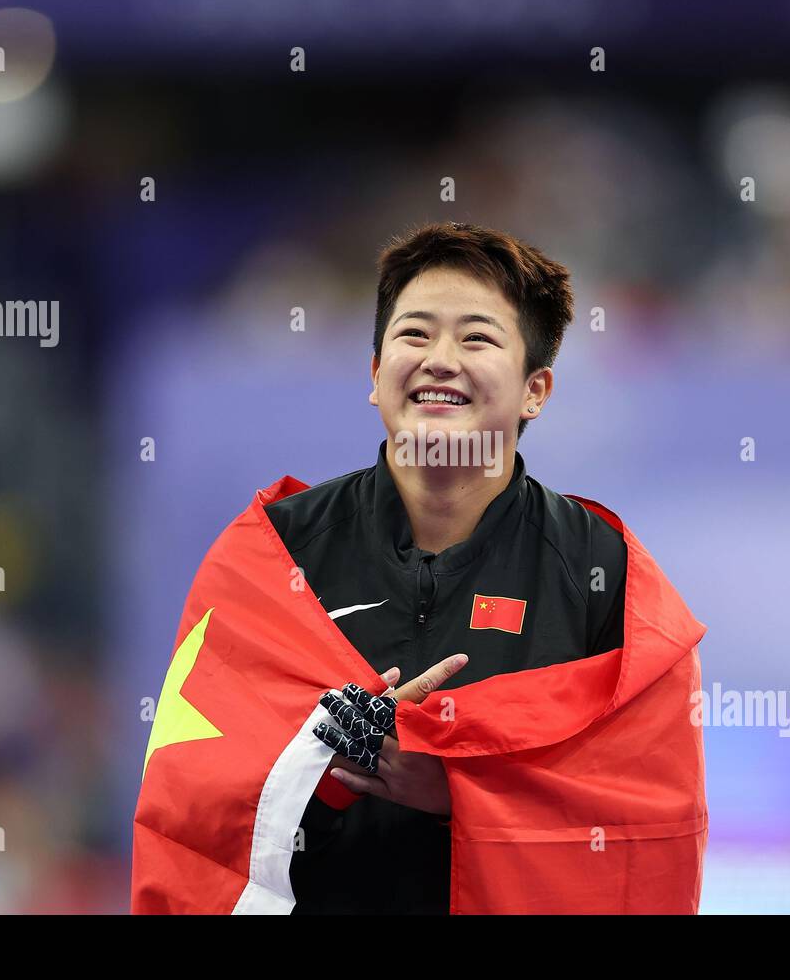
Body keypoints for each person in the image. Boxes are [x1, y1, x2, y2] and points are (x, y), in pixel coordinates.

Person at [131, 222, 708, 916]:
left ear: (536, 390)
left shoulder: (605, 574)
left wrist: (457, 790)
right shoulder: (271, 552)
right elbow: (188, 802)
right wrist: (325, 765)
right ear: (375, 376)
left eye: (477, 338)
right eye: (414, 334)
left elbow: (646, 832)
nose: (440, 359)